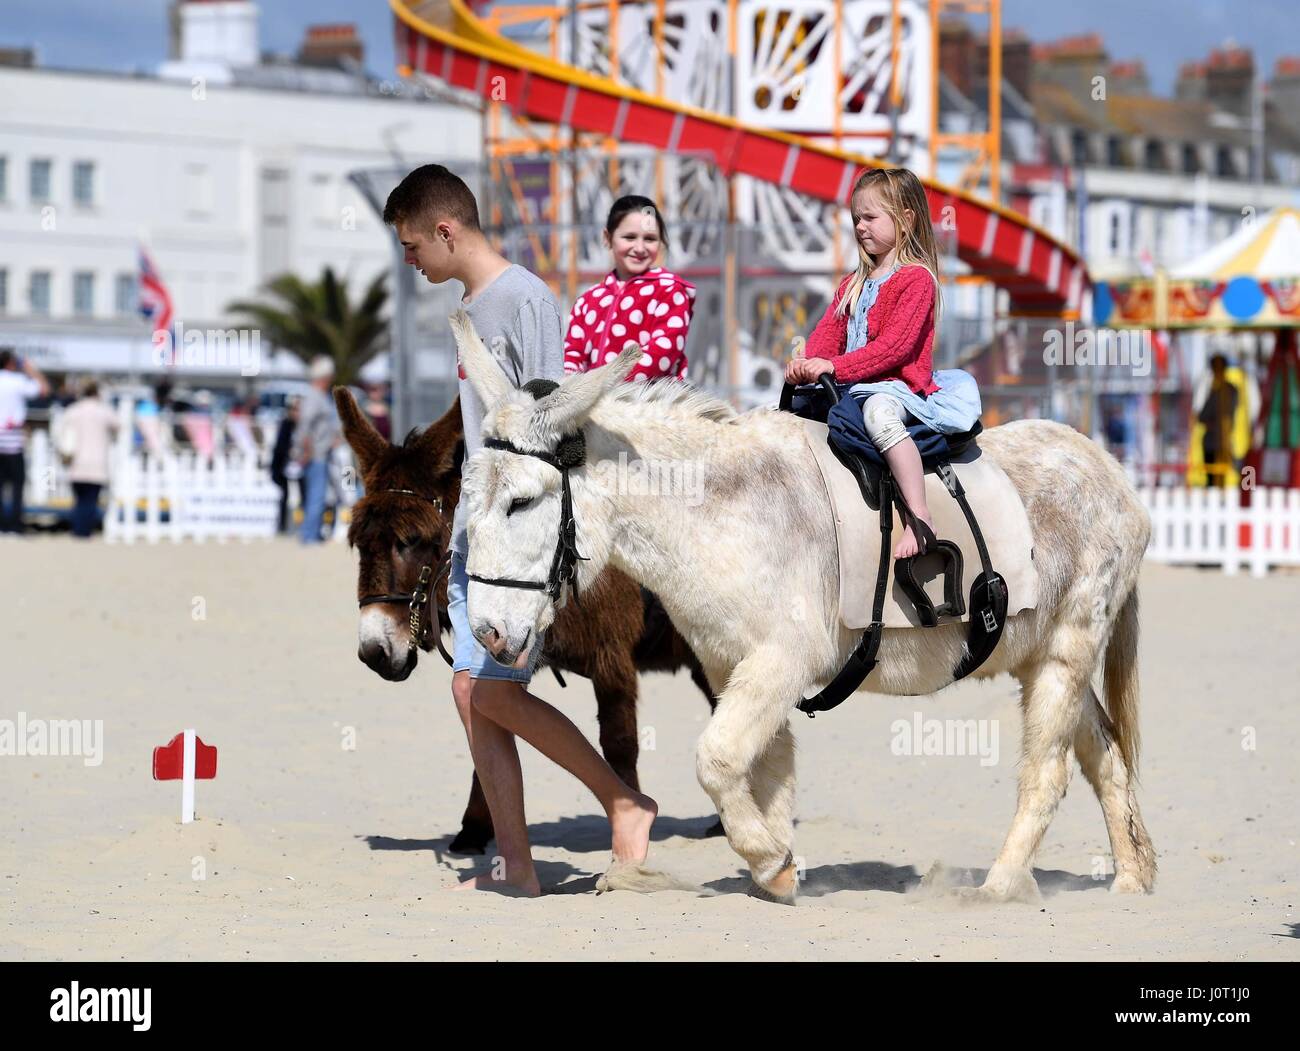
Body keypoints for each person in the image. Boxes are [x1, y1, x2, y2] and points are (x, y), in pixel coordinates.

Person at [383, 163, 656, 896]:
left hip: (516, 544)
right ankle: (518, 864)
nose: (410, 259)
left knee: (493, 692)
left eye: (413, 245)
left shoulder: (523, 299)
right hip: (480, 533)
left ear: (446, 230)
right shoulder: (475, 303)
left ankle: (623, 801)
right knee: (471, 692)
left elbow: (553, 422)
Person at [787, 166, 980, 559]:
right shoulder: (853, 283)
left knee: (879, 416)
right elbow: (828, 335)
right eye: (856, 218)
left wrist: (834, 368)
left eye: (870, 217)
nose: (860, 226)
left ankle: (919, 515)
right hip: (851, 384)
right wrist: (807, 363)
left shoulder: (916, 280)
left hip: (896, 387)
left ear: (905, 220)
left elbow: (894, 349)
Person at [563, 195, 696, 380]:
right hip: (596, 406)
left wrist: (603, 388)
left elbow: (662, 354)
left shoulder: (670, 291)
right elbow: (571, 357)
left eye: (650, 239)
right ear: (607, 237)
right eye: (630, 237)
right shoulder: (588, 301)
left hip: (649, 406)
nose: (640, 248)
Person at [57, 379, 119, 538]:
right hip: (97, 462)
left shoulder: (73, 410)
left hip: (76, 461)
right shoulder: (103, 411)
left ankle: (77, 530)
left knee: (79, 499)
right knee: (90, 500)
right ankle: (84, 532)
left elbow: (61, 431)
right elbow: (118, 426)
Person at [0, 349, 50, 534]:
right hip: (13, 442)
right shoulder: (17, 381)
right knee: (17, 486)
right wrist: (31, 369)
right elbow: (44, 389)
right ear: (11, 363)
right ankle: (13, 525)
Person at [293, 357, 341, 544]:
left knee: (317, 495)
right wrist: (305, 450)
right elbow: (305, 425)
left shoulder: (320, 396)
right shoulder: (314, 396)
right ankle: (309, 535)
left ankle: (311, 533)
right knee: (316, 495)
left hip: (320, 453)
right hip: (315, 455)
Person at [1197, 353, 1238, 487]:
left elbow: (1228, 414)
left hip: (1224, 441)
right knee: (1211, 480)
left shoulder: (1230, 390)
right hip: (1211, 442)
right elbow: (1201, 416)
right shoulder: (1210, 389)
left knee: (1226, 477)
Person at [270, 397, 301, 534]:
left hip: (302, 468)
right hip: (286, 468)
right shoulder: (285, 425)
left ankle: (300, 526)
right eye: (293, 409)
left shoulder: (306, 425)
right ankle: (283, 526)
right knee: (286, 497)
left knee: (301, 498)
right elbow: (279, 448)